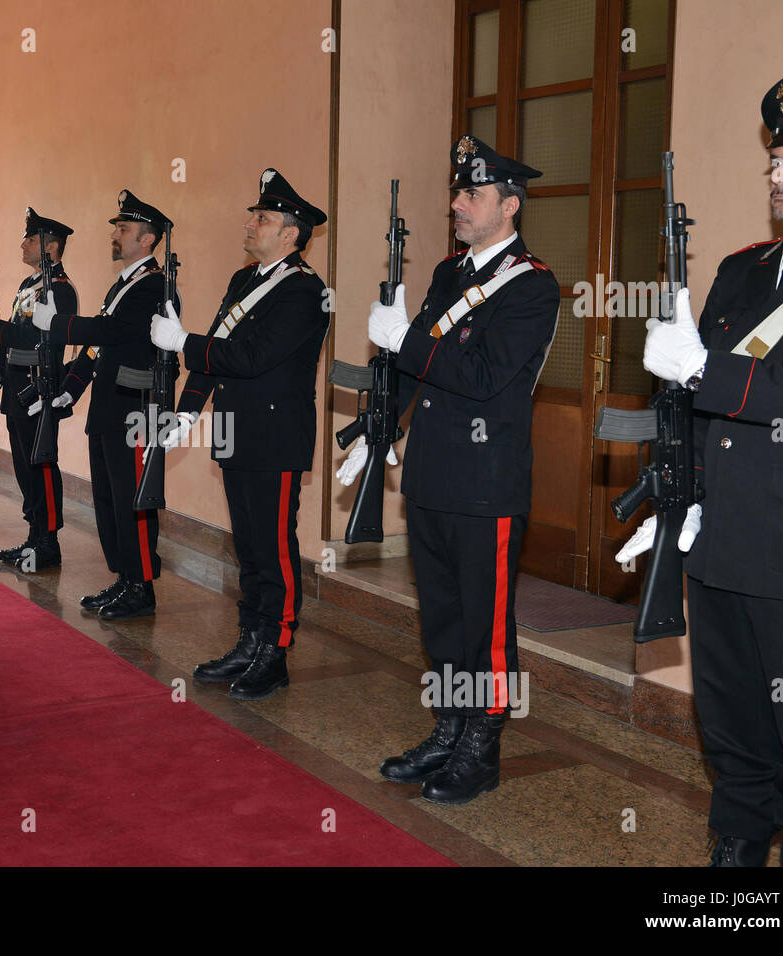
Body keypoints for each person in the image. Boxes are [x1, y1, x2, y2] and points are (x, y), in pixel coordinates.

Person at [623, 73, 783, 867]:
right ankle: (735, 858)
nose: (781, 176)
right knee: (732, 728)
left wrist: (704, 371)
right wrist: (676, 492)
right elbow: (687, 399)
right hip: (719, 540)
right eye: (776, 161)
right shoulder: (743, 271)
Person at [351, 135, 558, 805]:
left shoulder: (533, 286)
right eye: (456, 192)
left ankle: (482, 745)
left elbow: (483, 376)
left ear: (509, 205)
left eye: (471, 194)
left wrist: (405, 337)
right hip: (433, 474)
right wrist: (378, 430)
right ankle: (448, 727)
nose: (456, 204)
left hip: (487, 484)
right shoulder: (449, 274)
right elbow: (416, 370)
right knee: (441, 618)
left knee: (485, 626)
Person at [149, 169, 328, 699]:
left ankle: (276, 649)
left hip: (274, 437)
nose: (250, 224)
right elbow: (215, 356)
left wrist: (184, 339)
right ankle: (249, 638)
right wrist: (187, 413)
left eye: (263, 218)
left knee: (273, 546)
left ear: (291, 232)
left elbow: (250, 358)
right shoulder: (244, 279)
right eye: (255, 215)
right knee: (246, 545)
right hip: (232, 430)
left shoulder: (305, 291)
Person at [32, 190, 169, 619]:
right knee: (110, 500)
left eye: (123, 228)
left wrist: (56, 325)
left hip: (135, 412)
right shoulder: (124, 284)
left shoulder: (153, 287)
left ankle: (141, 586)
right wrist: (72, 387)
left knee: (135, 500)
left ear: (147, 240)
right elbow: (97, 346)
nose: (115, 233)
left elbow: (110, 332)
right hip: (109, 409)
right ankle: (125, 578)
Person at [0, 207, 78, 571]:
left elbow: (37, 338)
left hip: (39, 388)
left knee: (42, 465)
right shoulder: (27, 286)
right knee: (23, 466)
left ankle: (48, 540)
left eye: (31, 239)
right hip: (18, 388)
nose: (23, 244)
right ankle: (34, 535)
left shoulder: (60, 290)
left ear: (51, 246)